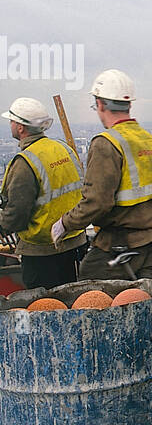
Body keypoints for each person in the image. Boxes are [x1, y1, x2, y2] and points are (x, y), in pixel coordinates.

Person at [52, 70, 152, 281]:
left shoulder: (107, 143)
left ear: (100, 104)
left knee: (90, 299)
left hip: (119, 247)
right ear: (129, 104)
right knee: (150, 306)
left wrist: (65, 224)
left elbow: (97, 202)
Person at [0, 97, 85, 290]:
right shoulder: (63, 148)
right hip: (73, 241)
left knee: (45, 304)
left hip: (42, 250)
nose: (10, 125)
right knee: (69, 298)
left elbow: (16, 215)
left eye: (12, 121)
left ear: (21, 127)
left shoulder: (25, 162)